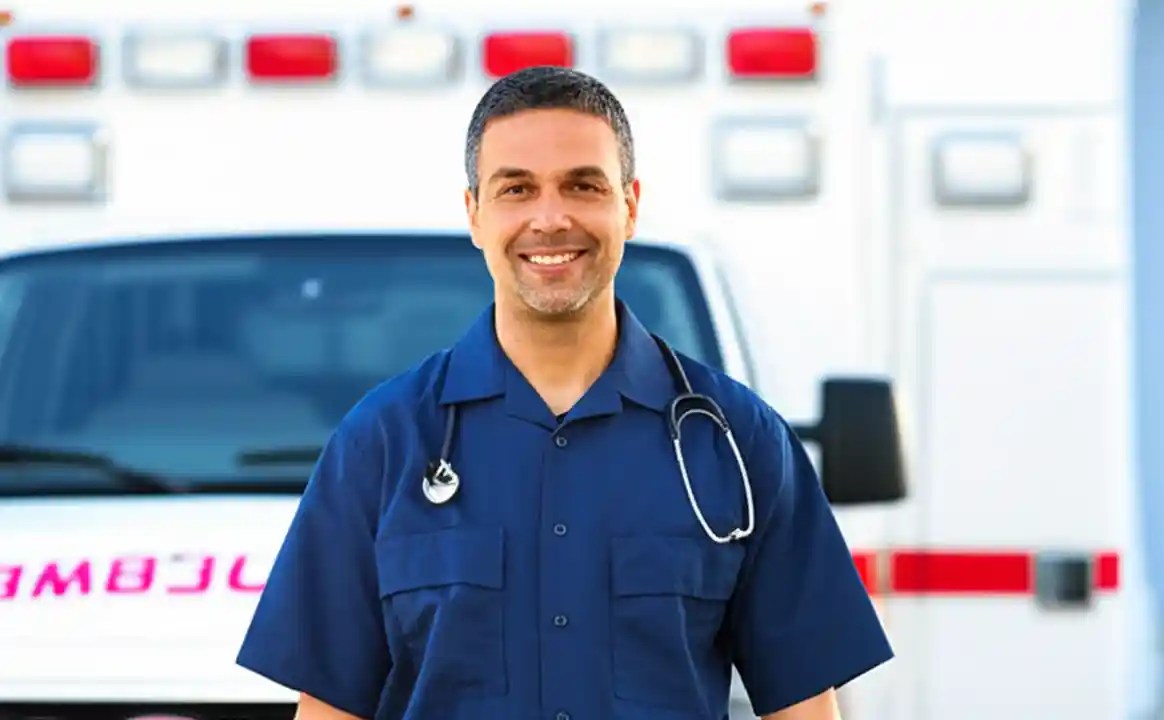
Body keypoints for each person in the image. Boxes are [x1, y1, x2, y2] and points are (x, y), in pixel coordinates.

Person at [235, 65, 893, 720]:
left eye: (582, 185)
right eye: (517, 189)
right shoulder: (381, 443)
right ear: (475, 214)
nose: (550, 219)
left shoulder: (740, 441)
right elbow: (328, 711)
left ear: (629, 205)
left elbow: (805, 708)